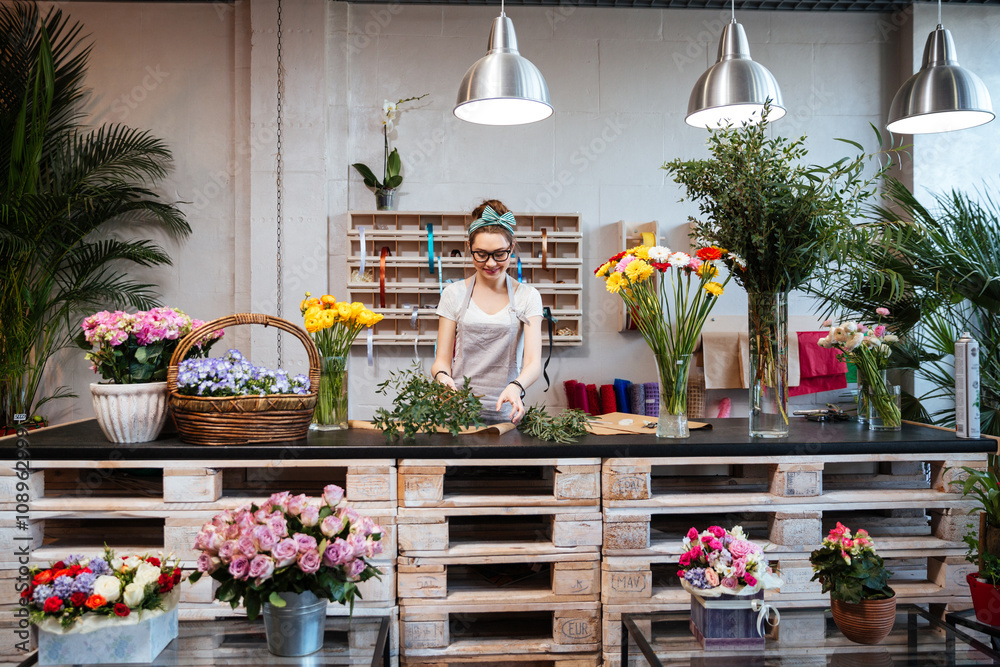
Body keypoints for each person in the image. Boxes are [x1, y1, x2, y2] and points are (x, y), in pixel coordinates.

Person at [432, 200, 543, 425]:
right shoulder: (453, 294)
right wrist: (442, 377)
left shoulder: (528, 296)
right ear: (469, 247)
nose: (490, 263)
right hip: (457, 415)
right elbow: (441, 360)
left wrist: (516, 387)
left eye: (500, 254)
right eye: (481, 254)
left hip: (506, 417)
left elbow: (533, 362)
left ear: (511, 248)